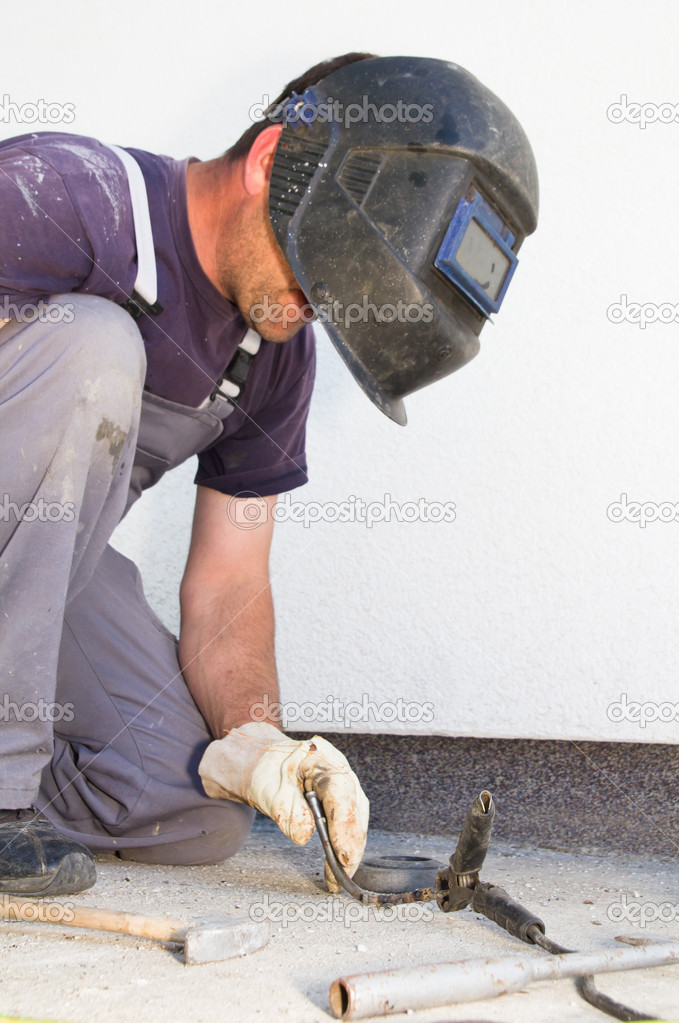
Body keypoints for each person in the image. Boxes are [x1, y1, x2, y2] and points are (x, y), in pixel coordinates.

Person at [0, 53, 538, 897]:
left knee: (192, 806)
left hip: (33, 577)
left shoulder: (271, 355)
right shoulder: (68, 199)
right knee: (95, 347)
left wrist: (261, 745)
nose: (315, 303)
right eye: (316, 266)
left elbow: (227, 581)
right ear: (270, 163)